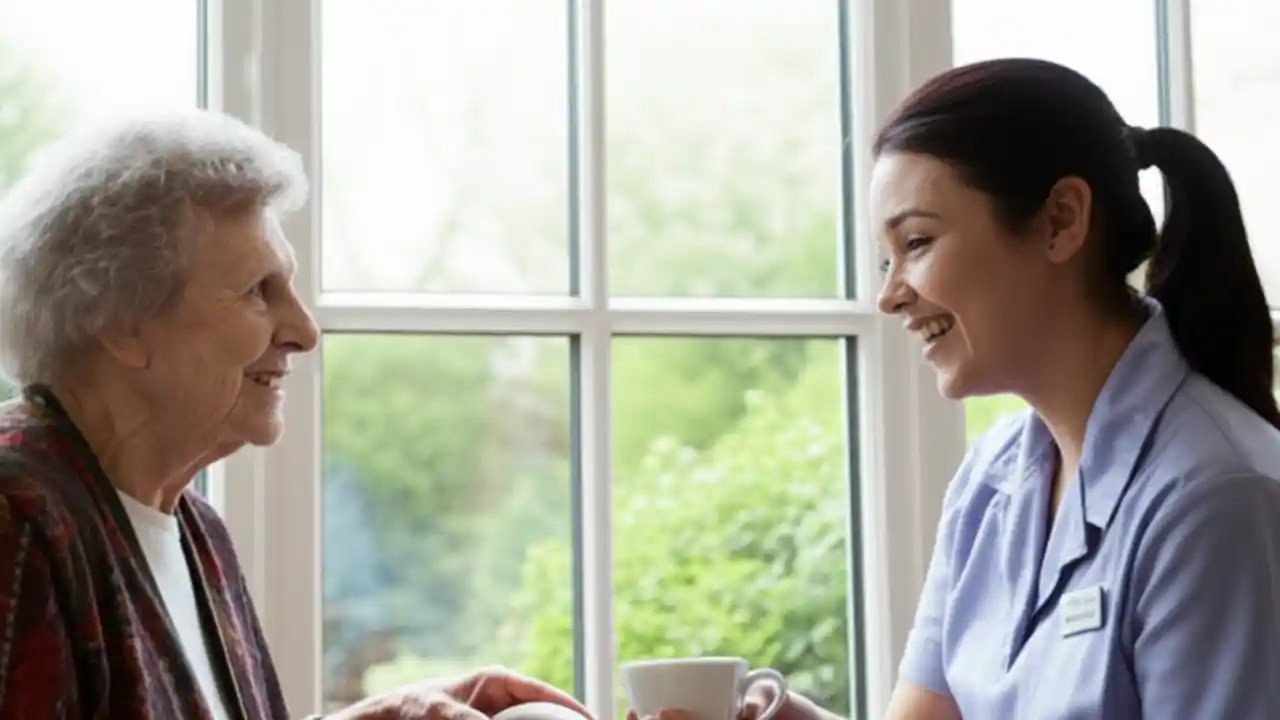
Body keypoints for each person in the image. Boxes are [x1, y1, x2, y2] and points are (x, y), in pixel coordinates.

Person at [635, 57, 1280, 720]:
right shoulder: (991, 482)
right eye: (886, 259)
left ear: (1061, 220)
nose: (889, 295)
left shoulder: (1217, 498)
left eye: (916, 241)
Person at [0, 111, 590, 720]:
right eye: (259, 289)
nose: (305, 331)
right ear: (121, 320)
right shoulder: (15, 513)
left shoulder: (193, 530)